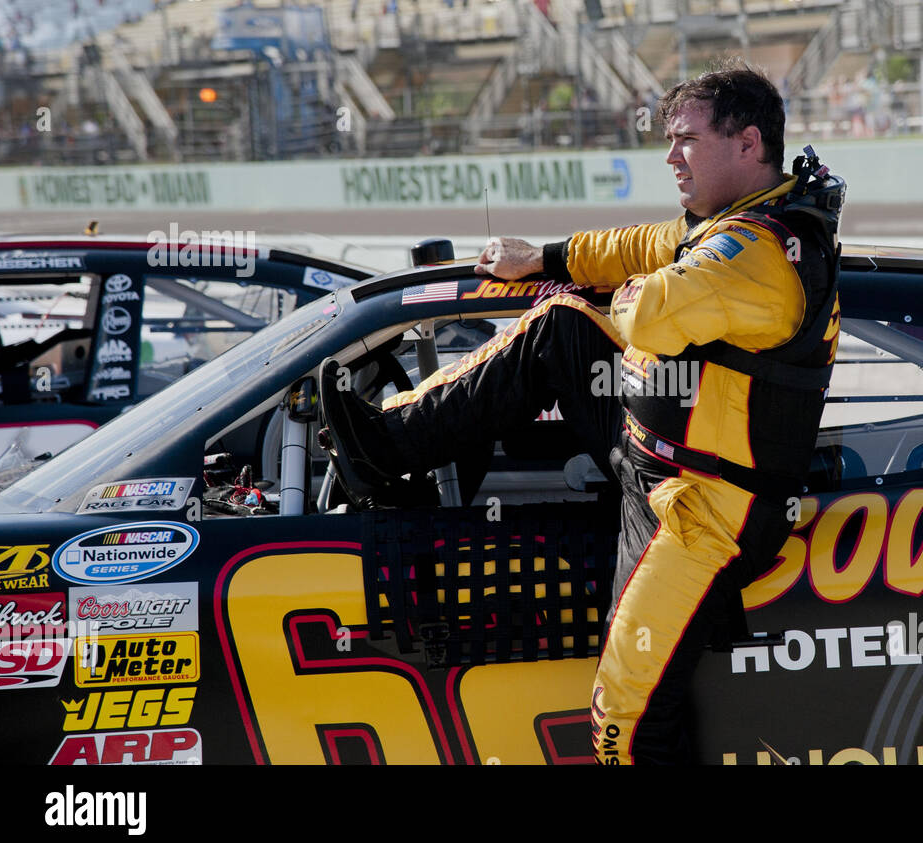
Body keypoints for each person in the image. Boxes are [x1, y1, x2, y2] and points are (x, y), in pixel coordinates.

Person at [320, 63, 845, 764]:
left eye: (686, 140)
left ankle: (389, 447)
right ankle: (385, 443)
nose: (670, 157)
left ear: (748, 143)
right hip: (661, 452)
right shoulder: (735, 223)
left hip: (700, 514)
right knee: (563, 322)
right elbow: (638, 248)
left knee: (622, 724)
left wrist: (625, 294)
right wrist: (542, 258)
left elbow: (648, 311)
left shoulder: (751, 255)